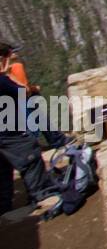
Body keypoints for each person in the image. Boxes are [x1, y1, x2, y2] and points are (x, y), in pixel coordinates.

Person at [0, 68, 59, 216]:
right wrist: (8, 76)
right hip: (8, 132)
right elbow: (23, 92)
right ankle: (42, 195)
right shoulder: (3, 78)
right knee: (30, 157)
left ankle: (4, 210)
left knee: (3, 170)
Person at [0, 43, 68, 149]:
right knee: (33, 121)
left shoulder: (10, 69)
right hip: (19, 100)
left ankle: (48, 141)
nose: (16, 54)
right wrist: (34, 89)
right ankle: (53, 140)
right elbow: (23, 87)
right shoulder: (16, 67)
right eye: (13, 52)